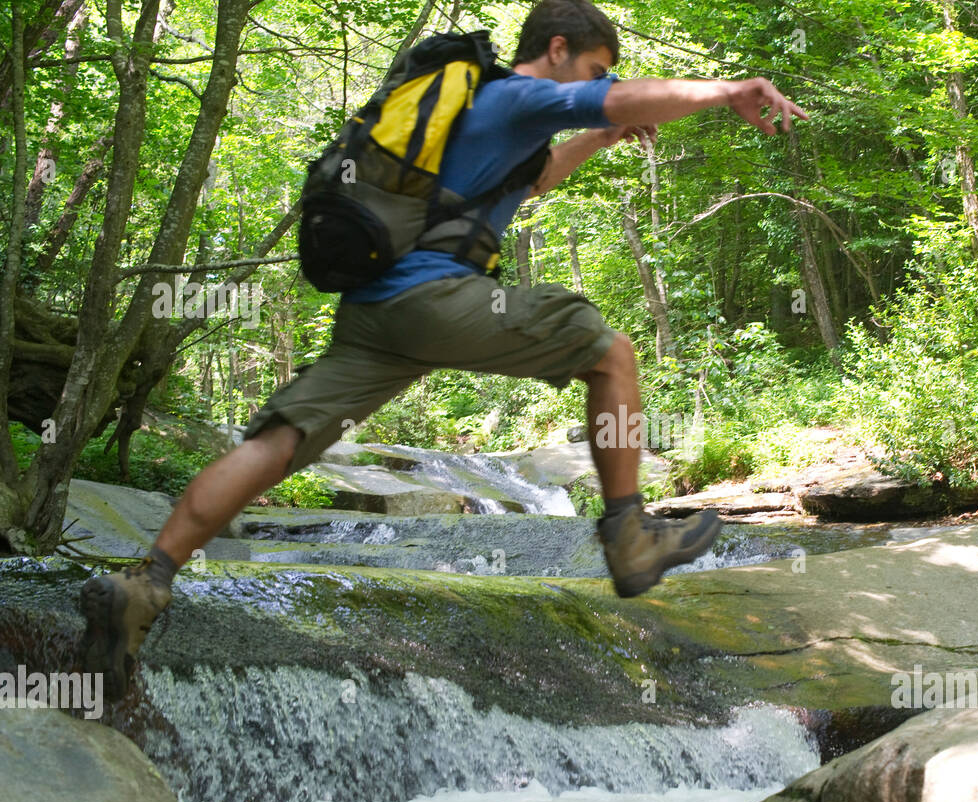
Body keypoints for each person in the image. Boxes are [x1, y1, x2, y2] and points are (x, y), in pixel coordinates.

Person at [79, 0, 809, 701]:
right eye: (591, 67)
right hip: (436, 302)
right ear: (556, 51)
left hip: (376, 313)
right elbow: (616, 99)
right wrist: (727, 91)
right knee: (610, 351)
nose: (594, 83)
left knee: (280, 439)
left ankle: (145, 581)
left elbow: (537, 178)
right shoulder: (518, 96)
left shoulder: (483, 116)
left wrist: (595, 139)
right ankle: (629, 535)